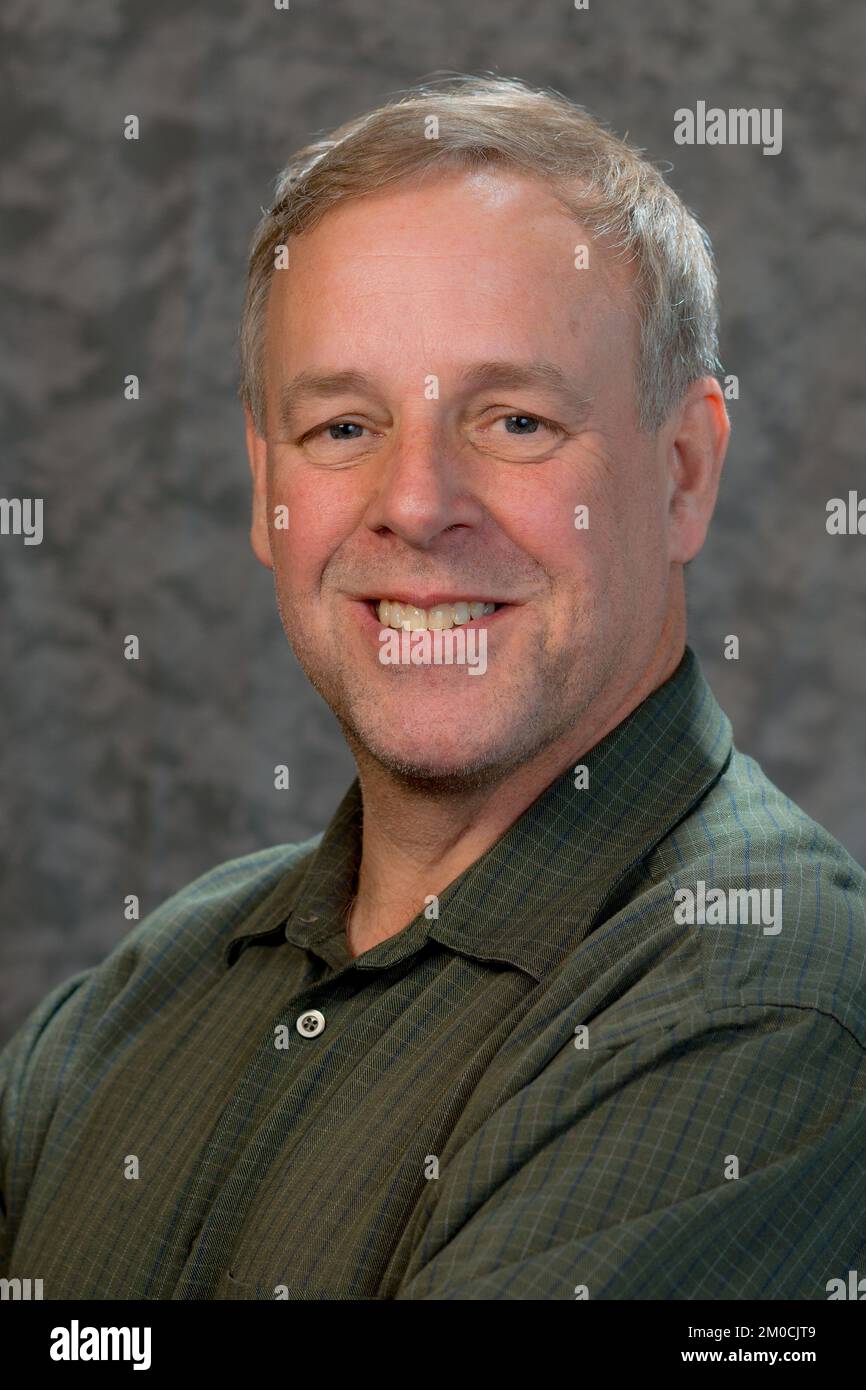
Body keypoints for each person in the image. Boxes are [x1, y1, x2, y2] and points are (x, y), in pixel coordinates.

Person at [2, 74, 864, 1301]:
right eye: (342, 428)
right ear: (266, 488)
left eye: (511, 422)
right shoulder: (137, 1000)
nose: (414, 504)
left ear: (681, 472)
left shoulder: (767, 1001)